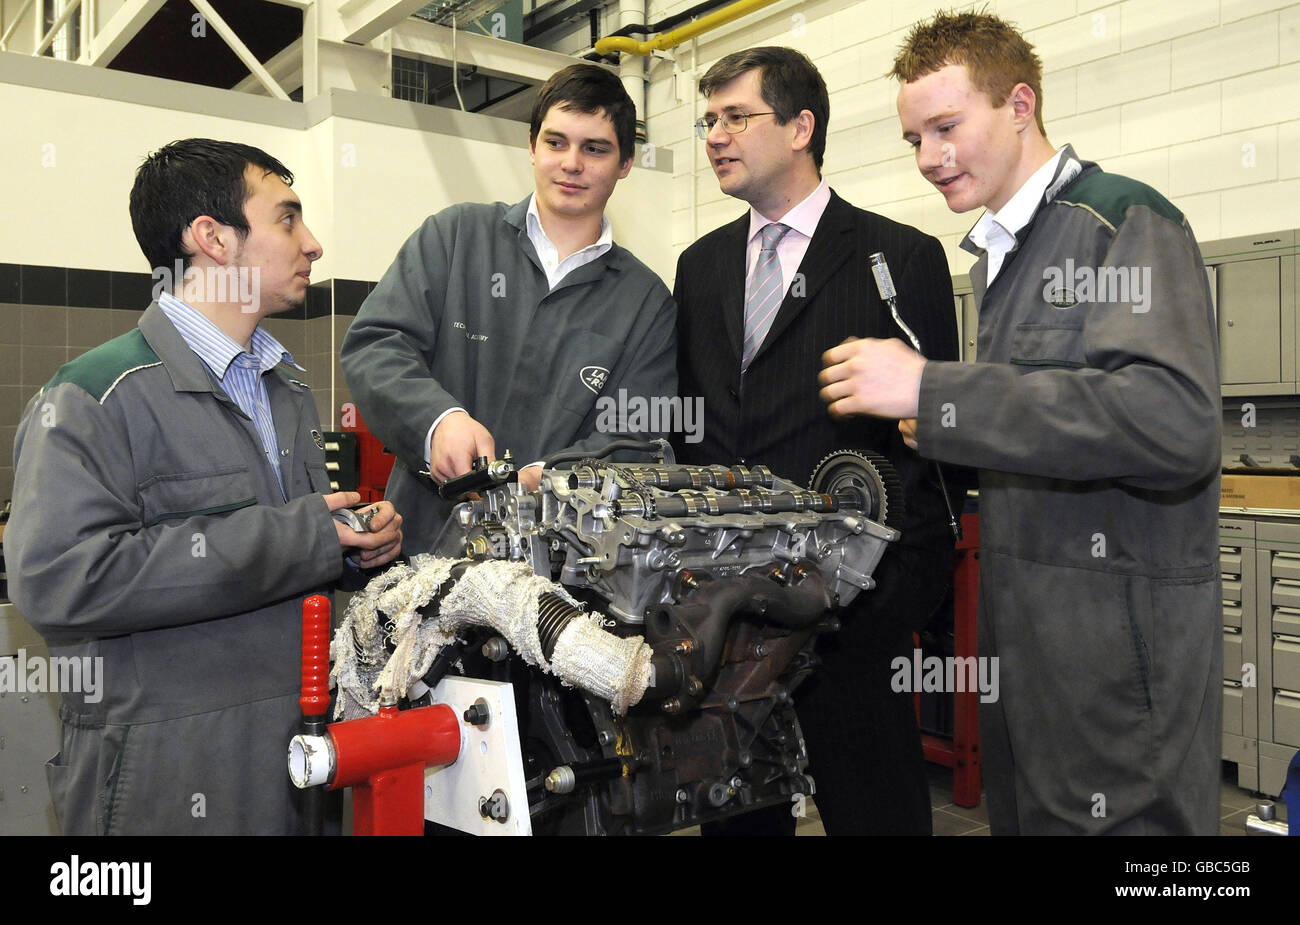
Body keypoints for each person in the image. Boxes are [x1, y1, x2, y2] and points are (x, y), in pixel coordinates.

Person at [819, 10, 1222, 834]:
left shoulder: (1120, 222)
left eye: (945, 126)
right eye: (913, 140)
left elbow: (1174, 422)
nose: (930, 157)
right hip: (1029, 662)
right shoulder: (1004, 253)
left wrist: (935, 392)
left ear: (1019, 105)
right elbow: (1053, 425)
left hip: (1117, 671)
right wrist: (942, 430)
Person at [7, 138, 403, 835]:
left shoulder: (288, 387)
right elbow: (56, 580)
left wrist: (349, 544)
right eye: (288, 219)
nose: (312, 244)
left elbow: (293, 550)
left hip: (300, 758)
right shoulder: (93, 396)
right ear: (213, 238)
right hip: (165, 780)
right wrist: (302, 534)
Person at [673, 46, 959, 835]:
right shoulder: (698, 268)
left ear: (801, 126)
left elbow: (935, 459)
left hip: (849, 629)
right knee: (737, 823)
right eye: (709, 121)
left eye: (736, 116)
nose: (716, 136)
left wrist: (879, 608)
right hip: (729, 633)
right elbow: (690, 436)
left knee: (876, 815)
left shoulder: (896, 258)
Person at [341, 63, 677, 554]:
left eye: (595, 148)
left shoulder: (646, 303)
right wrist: (437, 420)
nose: (571, 163)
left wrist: (557, 480)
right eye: (556, 142)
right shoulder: (455, 238)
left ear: (626, 162)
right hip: (420, 554)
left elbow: (638, 438)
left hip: (561, 573)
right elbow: (376, 345)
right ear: (532, 146)